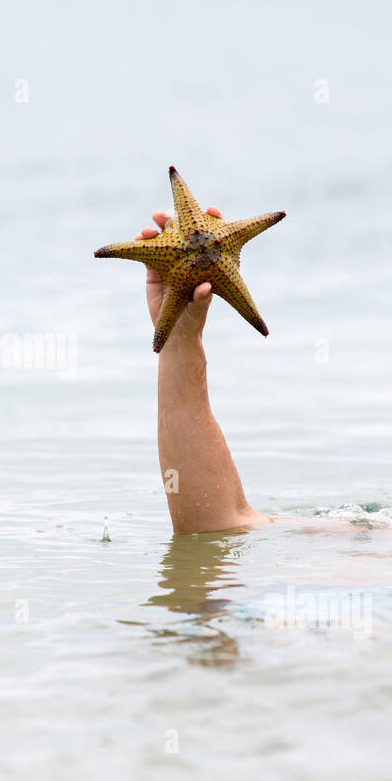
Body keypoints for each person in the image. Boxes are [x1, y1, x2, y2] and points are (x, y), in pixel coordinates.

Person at [134, 207, 273, 535]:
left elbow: (220, 527)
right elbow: (222, 525)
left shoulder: (390, 546)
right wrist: (179, 339)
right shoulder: (380, 541)